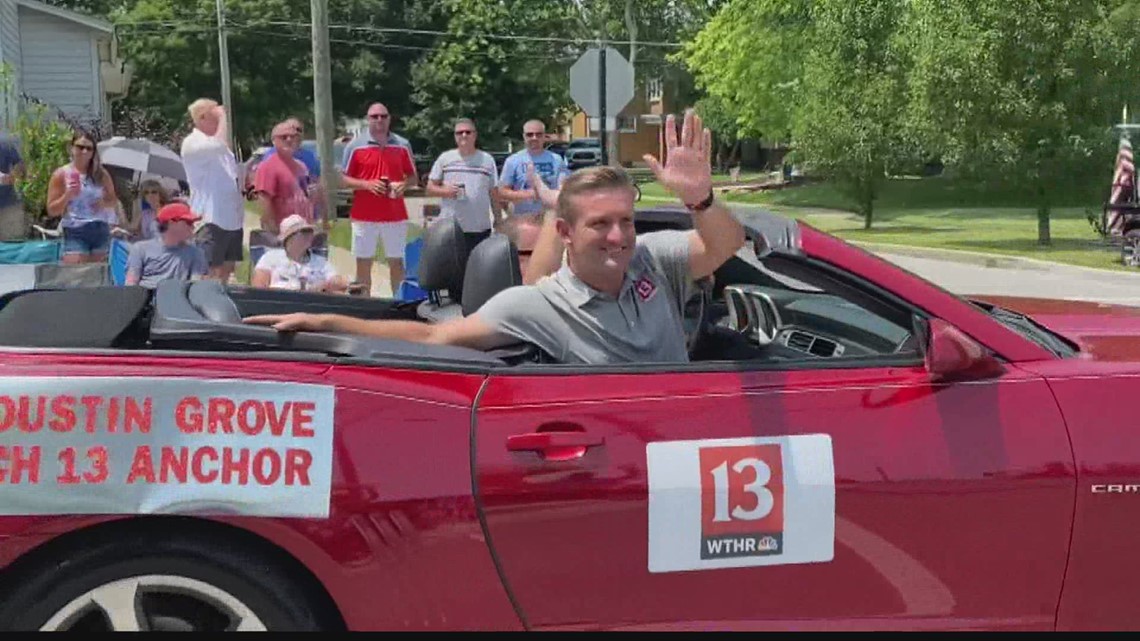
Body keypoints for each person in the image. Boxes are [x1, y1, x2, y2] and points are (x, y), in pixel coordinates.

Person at [245, 110, 745, 365]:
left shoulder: (651, 261)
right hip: (621, 462)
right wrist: (325, 319)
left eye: (627, 221)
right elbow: (432, 335)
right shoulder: (542, 303)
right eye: (600, 224)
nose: (619, 236)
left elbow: (723, 245)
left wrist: (699, 200)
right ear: (566, 232)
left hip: (684, 440)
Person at [339, 102, 417, 295]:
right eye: (375, 116)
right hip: (364, 216)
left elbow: (414, 176)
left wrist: (403, 185)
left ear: (389, 119)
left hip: (395, 215)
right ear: (368, 119)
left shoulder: (402, 144)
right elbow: (342, 179)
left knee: (397, 263)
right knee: (363, 265)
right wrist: (367, 184)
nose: (379, 120)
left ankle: (398, 306)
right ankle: (365, 308)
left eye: (383, 116)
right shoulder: (355, 146)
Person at [181, 98, 245, 283]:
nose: (219, 120)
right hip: (209, 218)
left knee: (226, 272)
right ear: (202, 117)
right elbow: (219, 144)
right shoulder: (193, 142)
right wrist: (223, 116)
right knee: (208, 272)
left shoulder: (221, 149)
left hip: (231, 219)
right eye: (214, 116)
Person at [424, 118, 502, 254]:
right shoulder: (445, 158)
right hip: (450, 228)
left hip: (480, 228)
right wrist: (445, 191)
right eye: (459, 133)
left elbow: (494, 192)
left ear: (475, 135)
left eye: (468, 132)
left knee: (477, 271)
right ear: (455, 136)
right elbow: (429, 188)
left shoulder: (487, 160)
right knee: (452, 271)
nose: (464, 135)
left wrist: (498, 219)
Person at [45, 130, 119, 264]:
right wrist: (67, 195)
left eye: (89, 148)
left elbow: (113, 201)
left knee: (98, 276)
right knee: (76, 277)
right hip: (75, 229)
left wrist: (104, 203)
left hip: (100, 228)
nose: (84, 151)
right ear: (71, 148)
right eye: (80, 147)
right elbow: (51, 210)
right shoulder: (61, 174)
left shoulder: (101, 174)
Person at [251, 214, 348, 293]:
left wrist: (327, 285)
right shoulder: (270, 258)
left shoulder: (320, 262)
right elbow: (258, 289)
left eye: (310, 231)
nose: (310, 235)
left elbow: (341, 284)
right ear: (289, 238)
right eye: (305, 231)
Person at [496, 119, 569, 223]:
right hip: (522, 221)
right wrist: (529, 194)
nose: (534, 138)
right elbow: (502, 192)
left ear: (544, 136)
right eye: (530, 135)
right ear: (524, 136)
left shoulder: (557, 160)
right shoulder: (513, 161)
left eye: (538, 134)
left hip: (550, 221)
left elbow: (564, 188)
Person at [124, 202, 209, 288]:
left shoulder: (196, 253)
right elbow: (131, 285)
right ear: (171, 223)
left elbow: (196, 287)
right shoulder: (140, 249)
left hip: (177, 298)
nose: (193, 227)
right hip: (146, 297)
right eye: (189, 223)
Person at [254, 121, 313, 233]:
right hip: (282, 231)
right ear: (274, 141)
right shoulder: (268, 167)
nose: (289, 140)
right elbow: (264, 200)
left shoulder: (301, 166)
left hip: (303, 229)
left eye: (293, 136)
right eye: (284, 137)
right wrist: (273, 229)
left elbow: (306, 194)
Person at [0, 132, 25, 241]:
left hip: (8, 204)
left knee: (10, 243)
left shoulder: (5, 145)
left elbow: (20, 165)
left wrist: (13, 176)